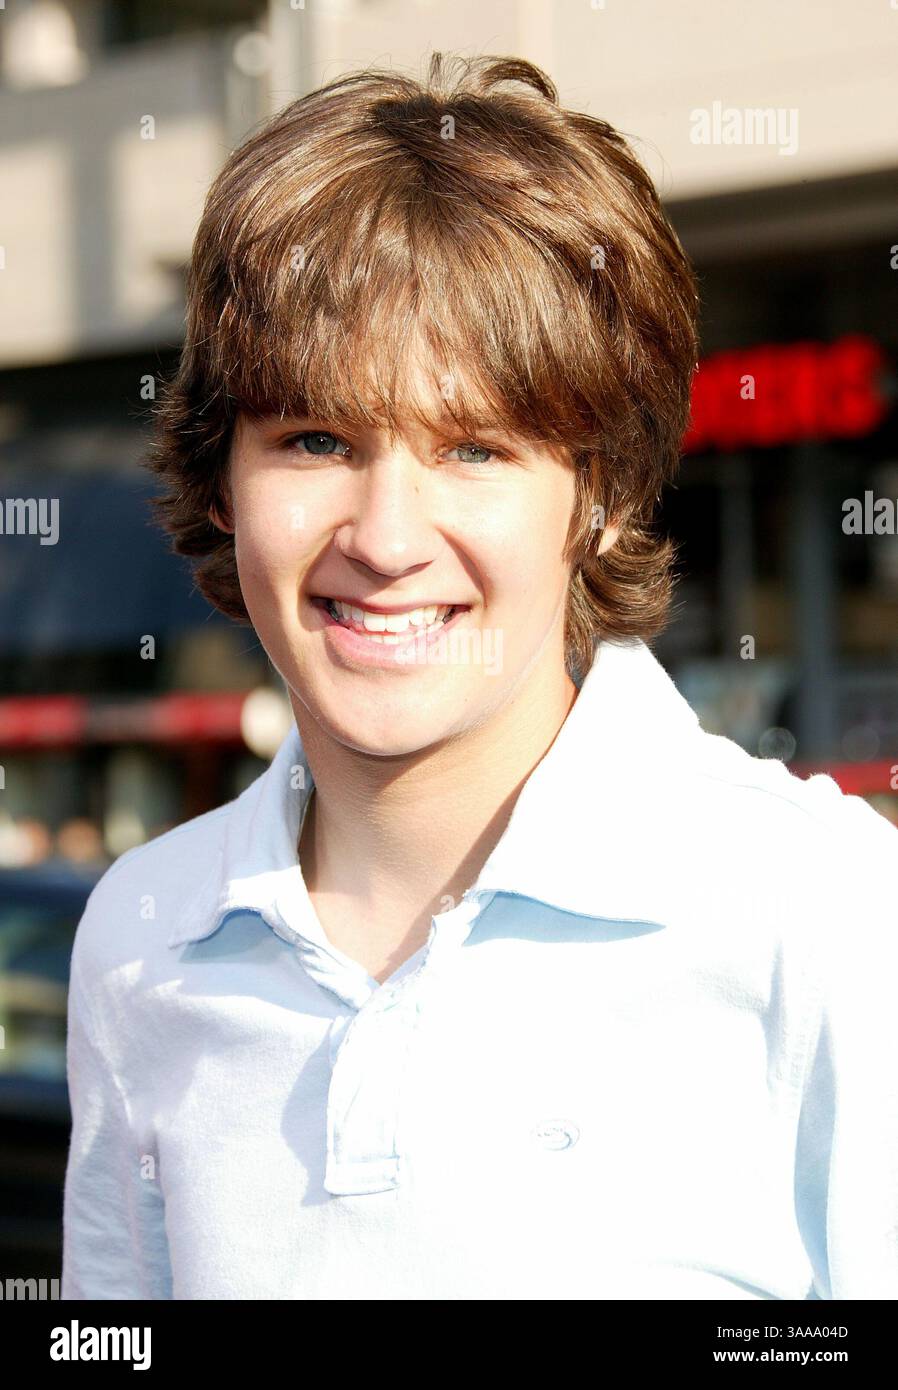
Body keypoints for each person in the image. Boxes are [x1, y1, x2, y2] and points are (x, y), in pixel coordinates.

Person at [61, 52, 897, 1301]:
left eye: (473, 446)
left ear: (602, 497)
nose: (386, 538)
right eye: (316, 438)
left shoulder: (826, 919)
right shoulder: (141, 935)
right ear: (224, 483)